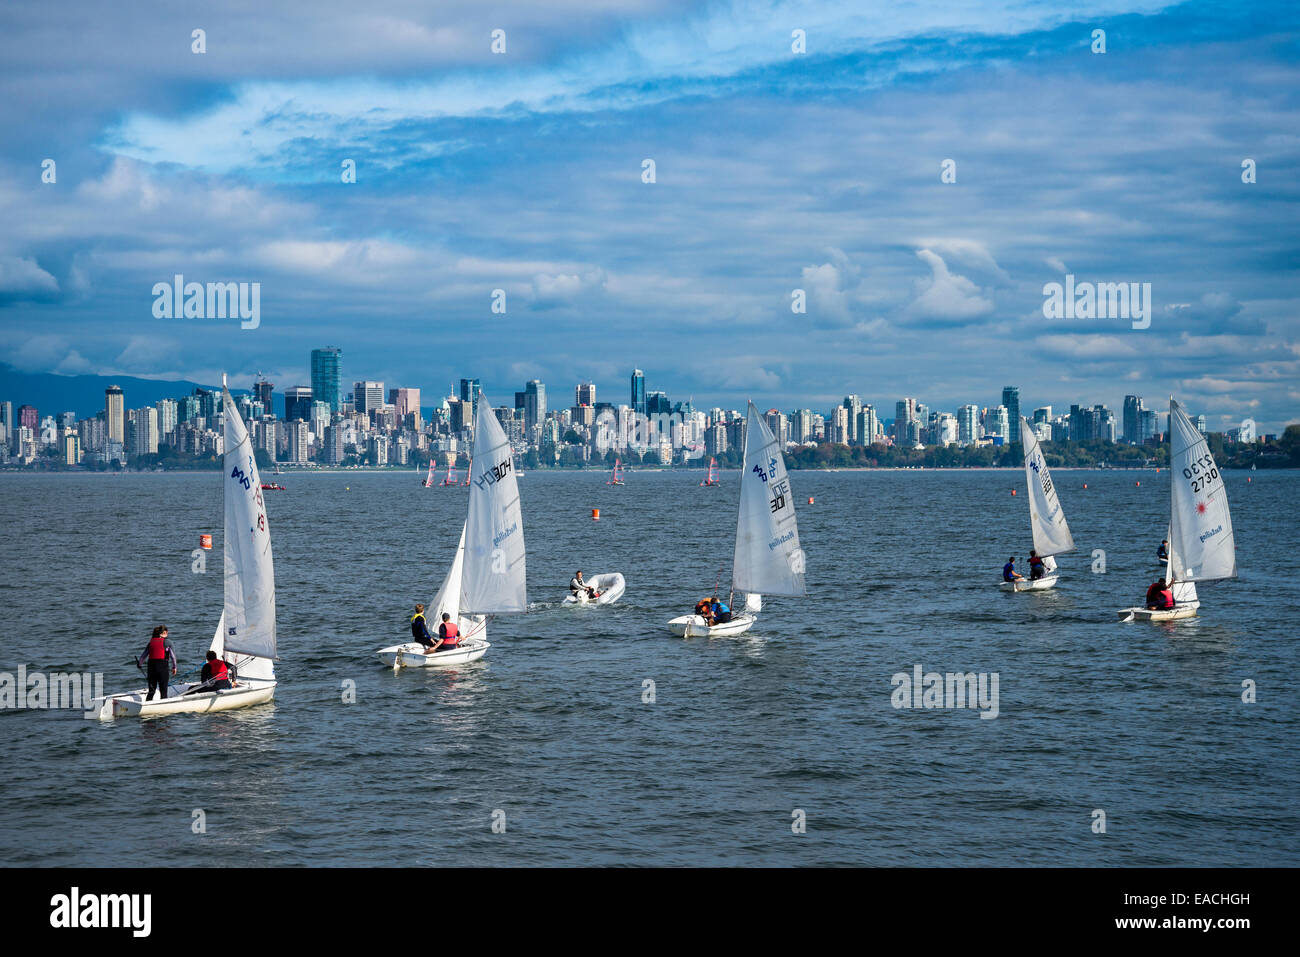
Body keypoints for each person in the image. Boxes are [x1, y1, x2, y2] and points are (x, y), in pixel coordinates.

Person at [137, 625, 177, 701]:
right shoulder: (168, 642)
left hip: (151, 668)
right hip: (162, 668)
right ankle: (163, 708)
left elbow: (143, 656)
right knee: (163, 691)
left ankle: (147, 704)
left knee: (151, 691)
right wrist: (174, 667)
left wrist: (139, 664)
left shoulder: (151, 642)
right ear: (165, 632)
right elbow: (173, 657)